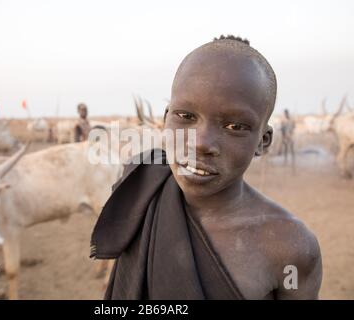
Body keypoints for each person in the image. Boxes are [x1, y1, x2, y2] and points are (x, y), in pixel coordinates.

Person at [90, 35, 322, 299]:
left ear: (263, 141)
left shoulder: (290, 248)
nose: (200, 144)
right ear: (166, 120)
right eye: (186, 116)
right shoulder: (141, 195)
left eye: (235, 126)